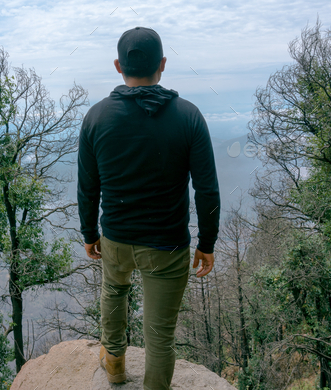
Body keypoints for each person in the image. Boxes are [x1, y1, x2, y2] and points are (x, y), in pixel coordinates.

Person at [77, 26, 220, 390]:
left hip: (117, 239)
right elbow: (206, 188)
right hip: (167, 246)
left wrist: (90, 233)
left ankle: (115, 365)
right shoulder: (188, 116)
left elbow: (87, 186)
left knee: (114, 290)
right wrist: (207, 242)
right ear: (163, 64)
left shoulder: (96, 117)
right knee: (160, 338)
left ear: (117, 66)